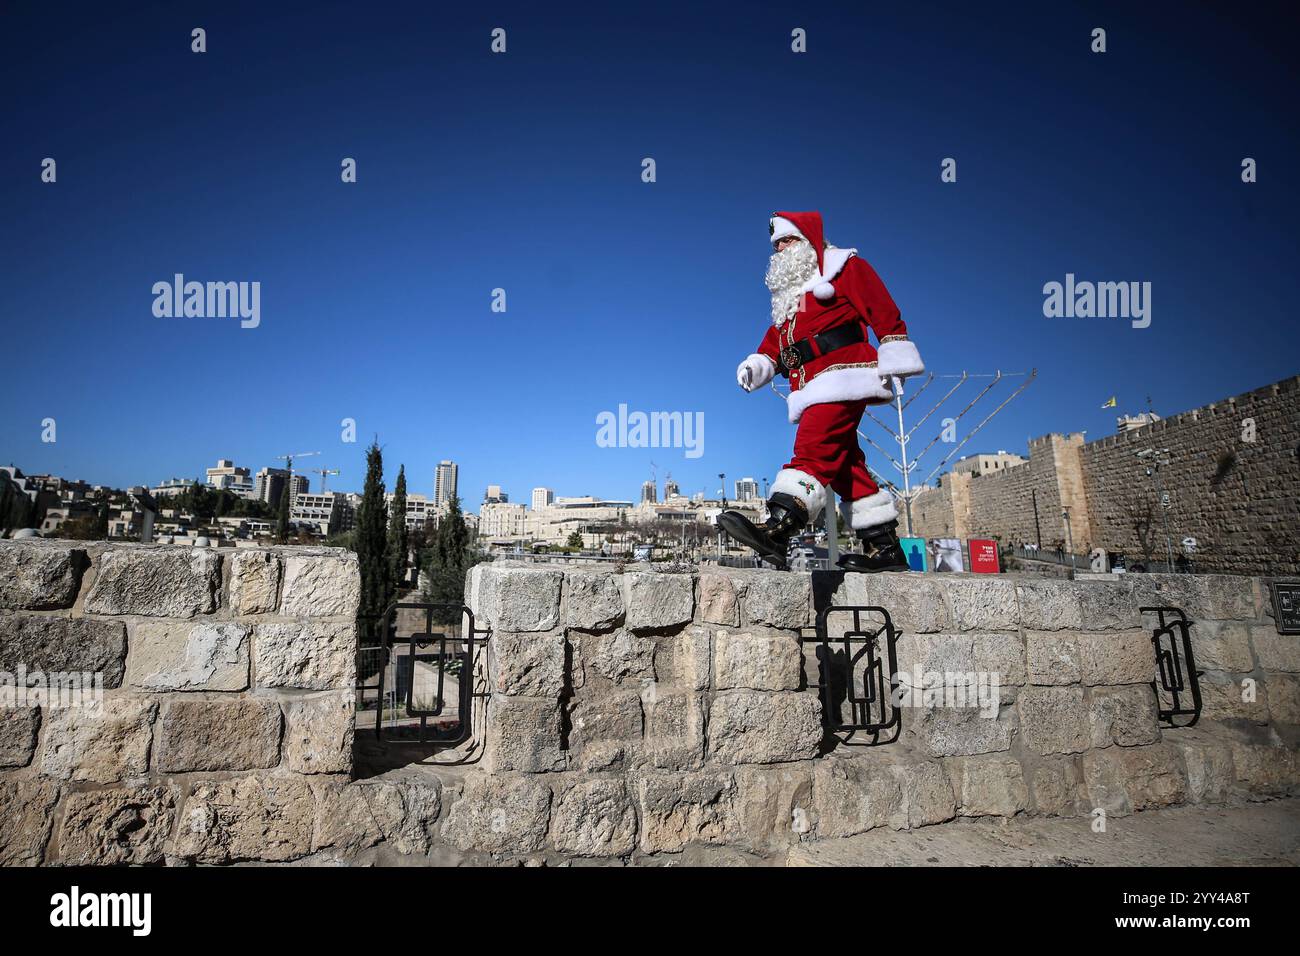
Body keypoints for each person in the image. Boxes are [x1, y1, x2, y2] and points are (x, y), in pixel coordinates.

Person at [718, 211, 924, 571]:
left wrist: (894, 347)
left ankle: (779, 532)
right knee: (844, 463)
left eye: (787, 240)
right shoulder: (791, 299)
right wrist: (759, 364)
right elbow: (777, 342)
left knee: (813, 447)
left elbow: (880, 305)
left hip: (845, 375)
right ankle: (886, 547)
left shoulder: (844, 267)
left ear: (807, 239)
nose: (780, 248)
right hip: (811, 383)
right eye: (776, 244)